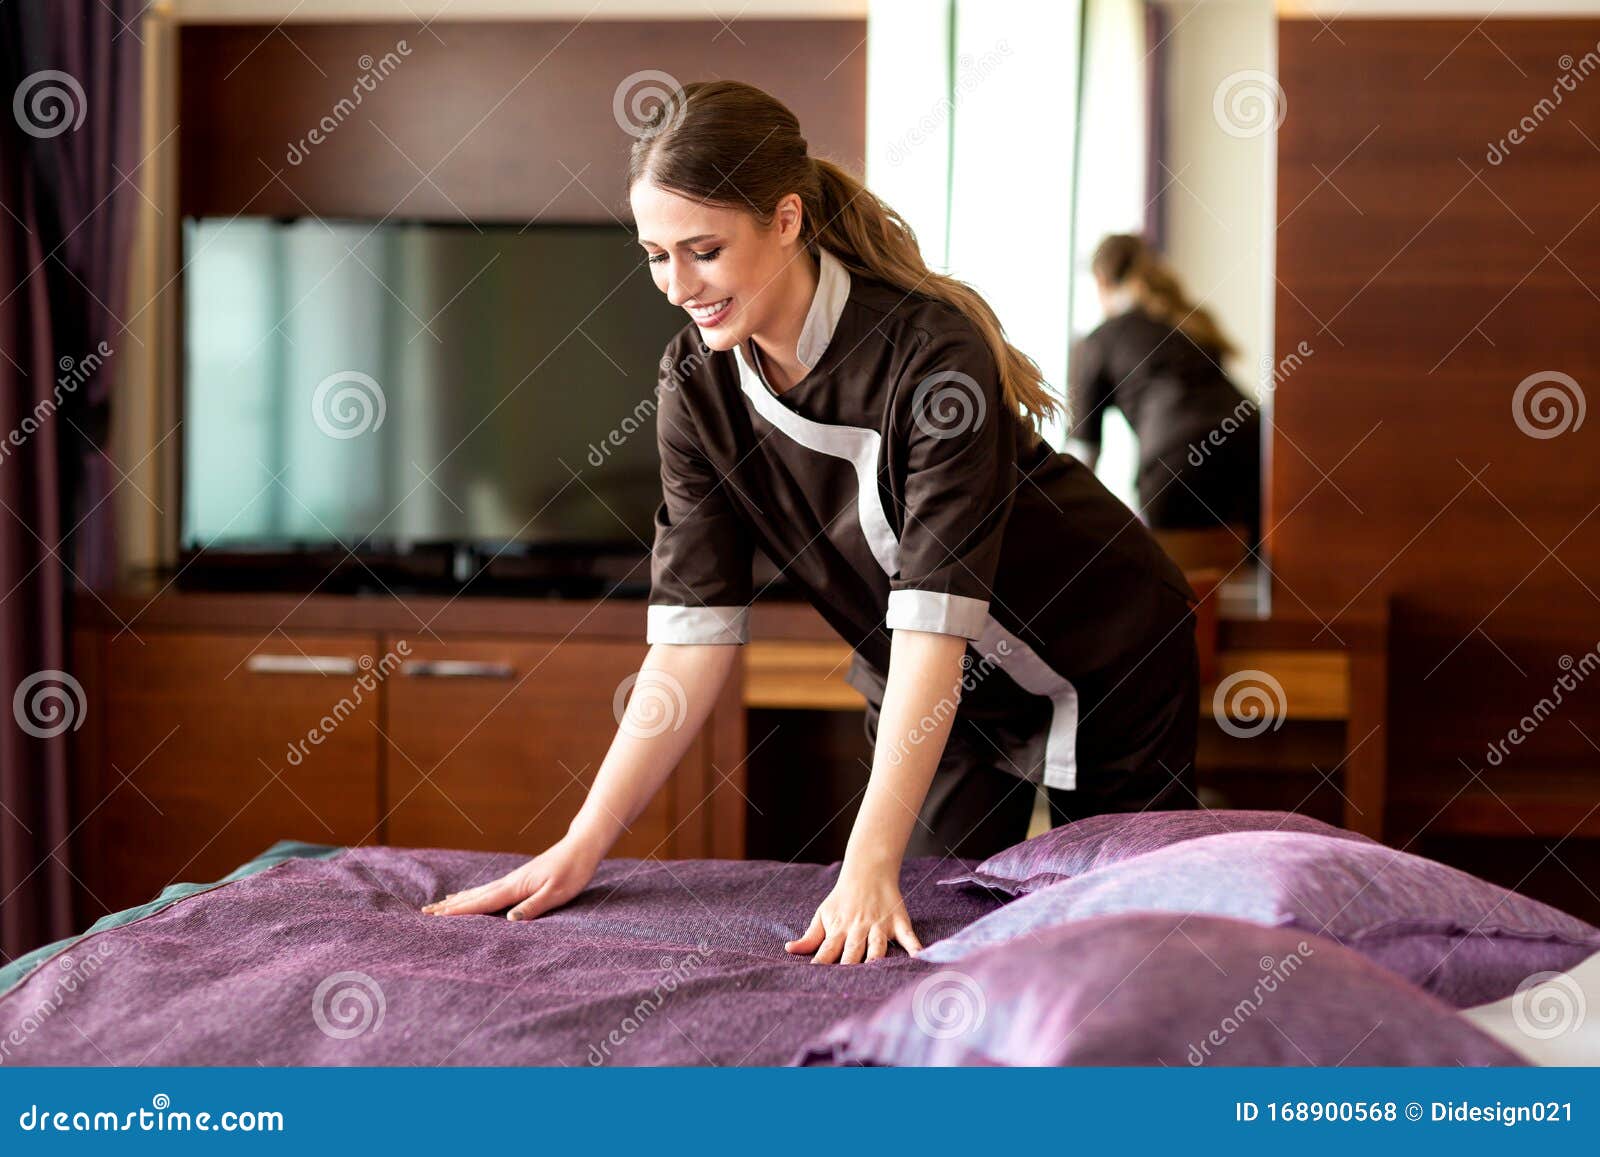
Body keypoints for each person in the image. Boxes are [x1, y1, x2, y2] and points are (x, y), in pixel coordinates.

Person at [422, 81, 1200, 965]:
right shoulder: (696, 384)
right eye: (656, 256)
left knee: (1125, 946)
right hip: (933, 691)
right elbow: (688, 643)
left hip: (1103, 649)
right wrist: (583, 842)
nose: (677, 286)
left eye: (704, 251)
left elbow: (934, 626)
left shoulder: (930, 354)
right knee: (922, 943)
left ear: (786, 219)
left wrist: (866, 864)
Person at [1069, 233, 1262, 561]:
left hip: (1179, 465)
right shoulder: (1188, 323)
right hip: (1253, 446)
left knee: (1171, 577)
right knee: (1239, 575)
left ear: (1100, 281)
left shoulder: (1100, 341)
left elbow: (1081, 460)